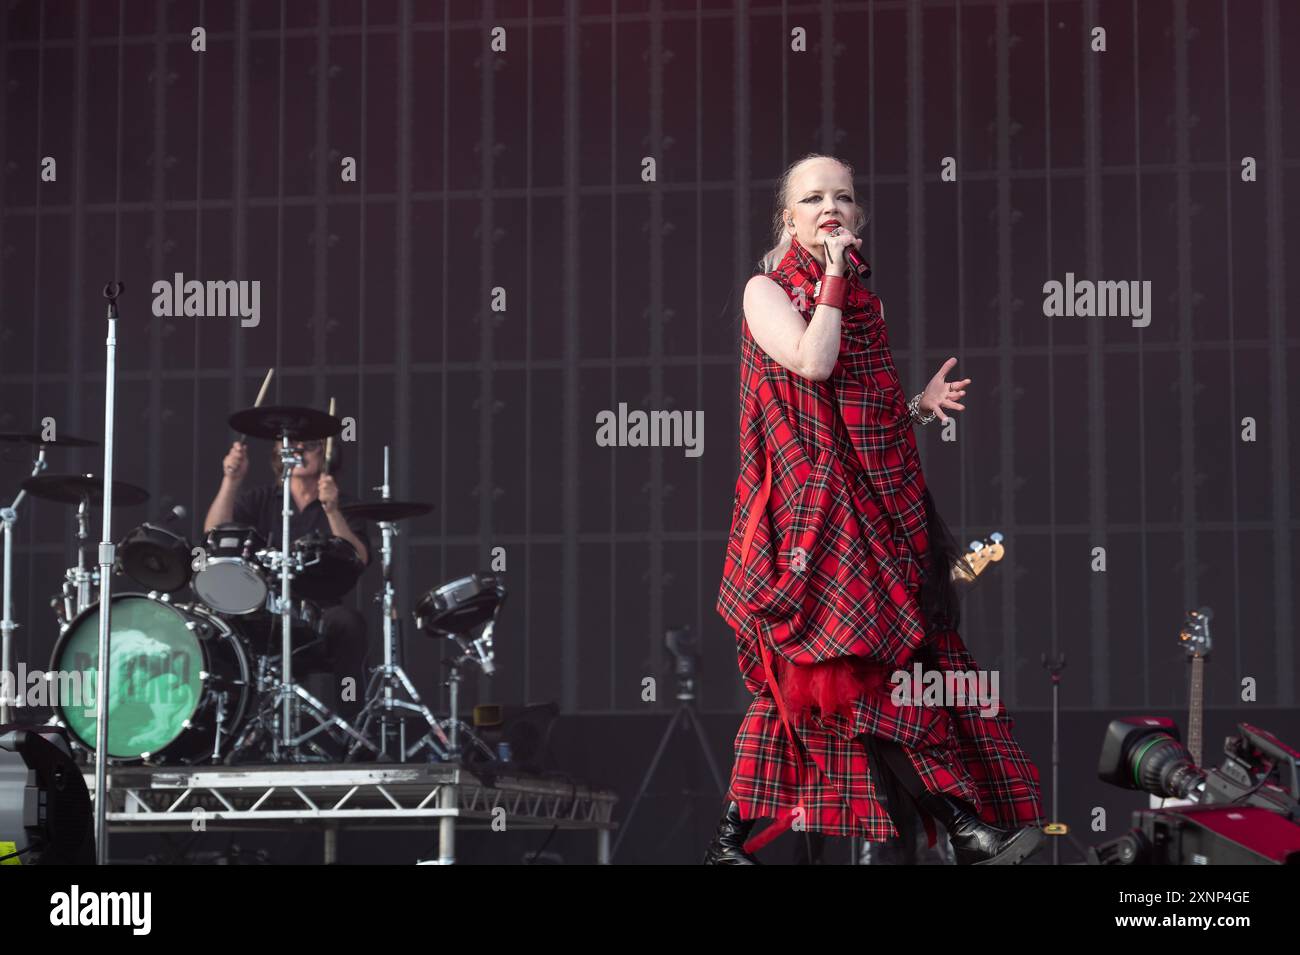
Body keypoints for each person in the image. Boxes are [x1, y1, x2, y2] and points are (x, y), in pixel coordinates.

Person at [707, 154, 1045, 865]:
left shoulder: (865, 304)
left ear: (856, 217)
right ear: (788, 219)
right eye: (813, 198)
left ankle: (731, 844)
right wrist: (831, 277)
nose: (831, 206)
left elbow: (862, 417)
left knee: (831, 680)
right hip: (804, 522)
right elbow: (811, 362)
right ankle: (961, 826)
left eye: (844, 197)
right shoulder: (763, 290)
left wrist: (918, 408)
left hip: (866, 522)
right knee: (831, 675)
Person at [203, 437, 370, 724]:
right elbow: (213, 534)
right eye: (291, 444)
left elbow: (360, 557)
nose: (299, 449)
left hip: (320, 612)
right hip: (264, 608)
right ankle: (223, 726)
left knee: (350, 624)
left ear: (327, 452)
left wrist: (332, 511)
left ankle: (352, 720)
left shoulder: (343, 503)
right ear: (278, 454)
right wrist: (231, 480)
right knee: (220, 625)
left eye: (310, 444)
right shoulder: (261, 499)